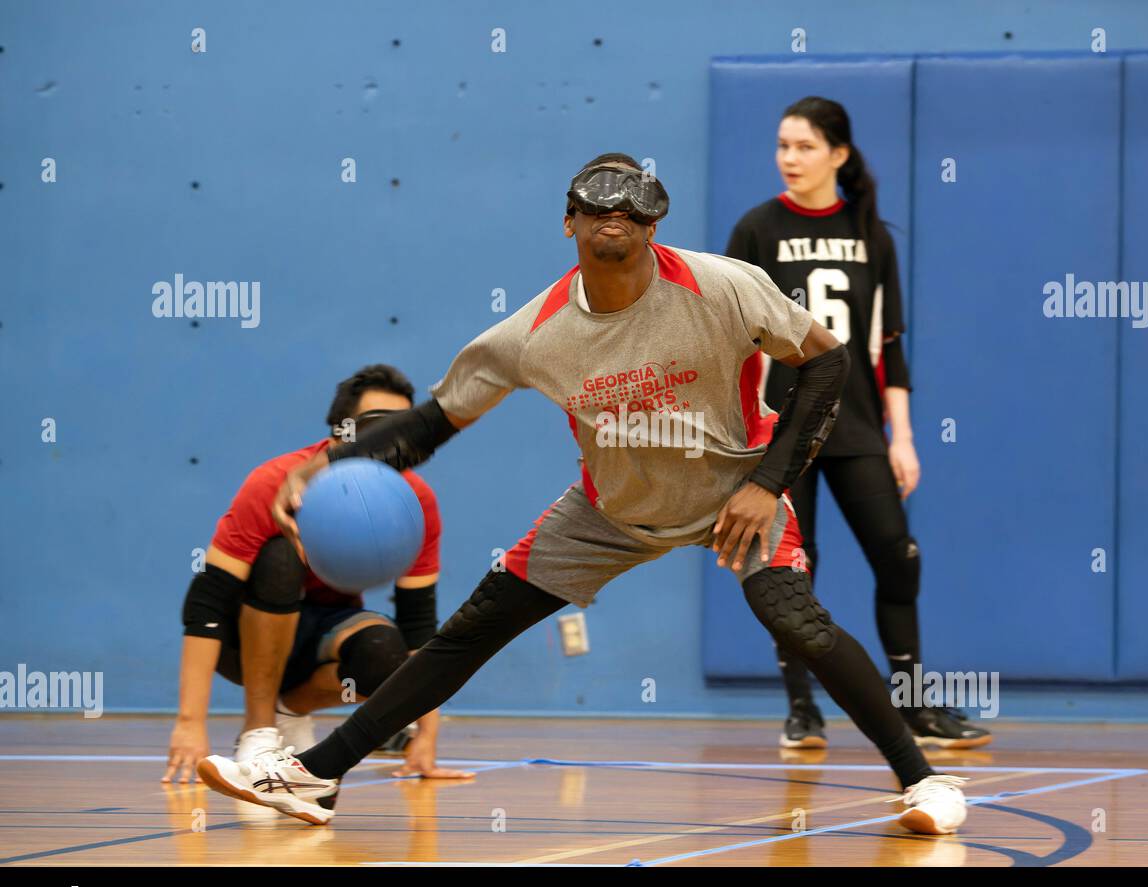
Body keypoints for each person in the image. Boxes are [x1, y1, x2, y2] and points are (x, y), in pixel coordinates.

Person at [197, 154, 967, 834]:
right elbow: (431, 424)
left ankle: (925, 780)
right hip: (612, 511)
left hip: (737, 492)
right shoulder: (533, 333)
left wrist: (769, 484)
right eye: (597, 207)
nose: (615, 219)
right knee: (473, 628)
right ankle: (319, 777)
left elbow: (828, 365)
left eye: (633, 208)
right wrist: (331, 462)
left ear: (654, 224)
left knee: (792, 618)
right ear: (568, 223)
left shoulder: (724, 287)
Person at [727, 97, 990, 751]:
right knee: (790, 571)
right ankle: (801, 710)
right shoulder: (755, 230)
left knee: (898, 560)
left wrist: (903, 437)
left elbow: (888, 346)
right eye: (783, 145)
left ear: (838, 155)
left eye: (805, 147)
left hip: (857, 428)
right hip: (782, 430)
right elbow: (730, 344)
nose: (790, 158)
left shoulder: (872, 233)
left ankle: (914, 706)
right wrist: (741, 439)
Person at [164, 365, 472, 784]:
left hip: (320, 639)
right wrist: (189, 723)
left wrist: (425, 736)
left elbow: (418, 624)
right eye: (376, 428)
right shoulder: (276, 481)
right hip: (242, 640)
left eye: (404, 429)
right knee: (281, 558)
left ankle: (289, 709)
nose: (390, 441)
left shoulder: (413, 502)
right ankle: (258, 733)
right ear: (340, 434)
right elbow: (207, 602)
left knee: (385, 655)